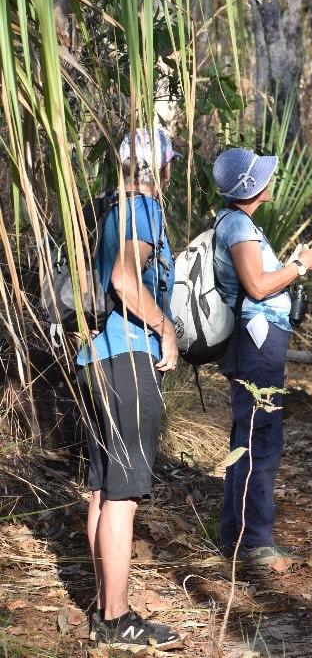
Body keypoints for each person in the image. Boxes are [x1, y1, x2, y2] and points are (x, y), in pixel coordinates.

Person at [80, 128, 181, 649]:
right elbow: (124, 278)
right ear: (161, 168)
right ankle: (117, 619)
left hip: (95, 359)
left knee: (103, 490)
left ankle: (106, 610)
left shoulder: (106, 209)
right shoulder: (143, 210)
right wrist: (165, 327)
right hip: (127, 360)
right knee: (123, 496)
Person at [213, 147, 312, 567]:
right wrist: (300, 266)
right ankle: (255, 542)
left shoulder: (238, 223)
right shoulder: (239, 226)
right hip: (255, 342)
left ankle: (238, 536)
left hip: (256, 341)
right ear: (252, 186)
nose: (269, 180)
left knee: (250, 436)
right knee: (260, 438)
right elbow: (257, 286)